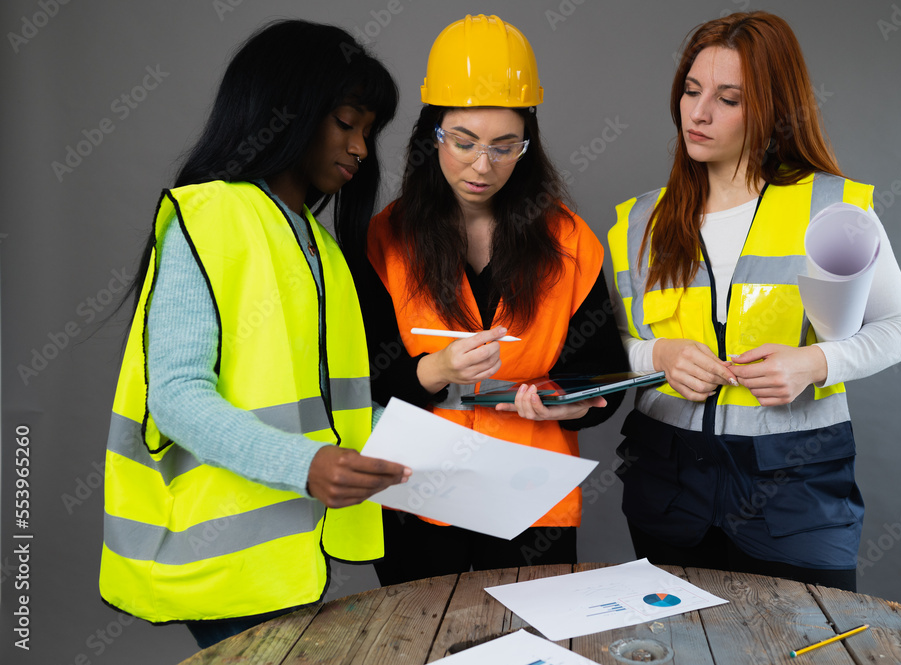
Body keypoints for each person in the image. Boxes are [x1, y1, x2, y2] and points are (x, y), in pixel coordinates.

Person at [98, 20, 411, 649]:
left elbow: (326, 404)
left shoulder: (317, 245)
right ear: (287, 110)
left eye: (368, 132)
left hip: (287, 553)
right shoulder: (212, 215)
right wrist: (307, 463)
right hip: (216, 559)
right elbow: (178, 397)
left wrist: (433, 448)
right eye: (346, 123)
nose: (359, 148)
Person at [608, 11, 901, 591]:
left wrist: (814, 363)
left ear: (773, 110)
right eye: (691, 91)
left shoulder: (832, 206)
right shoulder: (639, 223)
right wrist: (659, 357)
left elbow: (900, 328)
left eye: (728, 99)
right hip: (669, 483)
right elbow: (611, 350)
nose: (697, 114)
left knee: (800, 647)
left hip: (795, 487)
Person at [361, 14, 628, 585]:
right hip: (419, 497)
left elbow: (603, 371)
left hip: (531, 501)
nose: (483, 166)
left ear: (526, 146)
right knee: (423, 640)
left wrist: (573, 403)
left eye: (505, 147)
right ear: (432, 135)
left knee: (530, 644)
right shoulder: (388, 238)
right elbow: (363, 380)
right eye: (464, 143)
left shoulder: (569, 241)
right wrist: (434, 370)